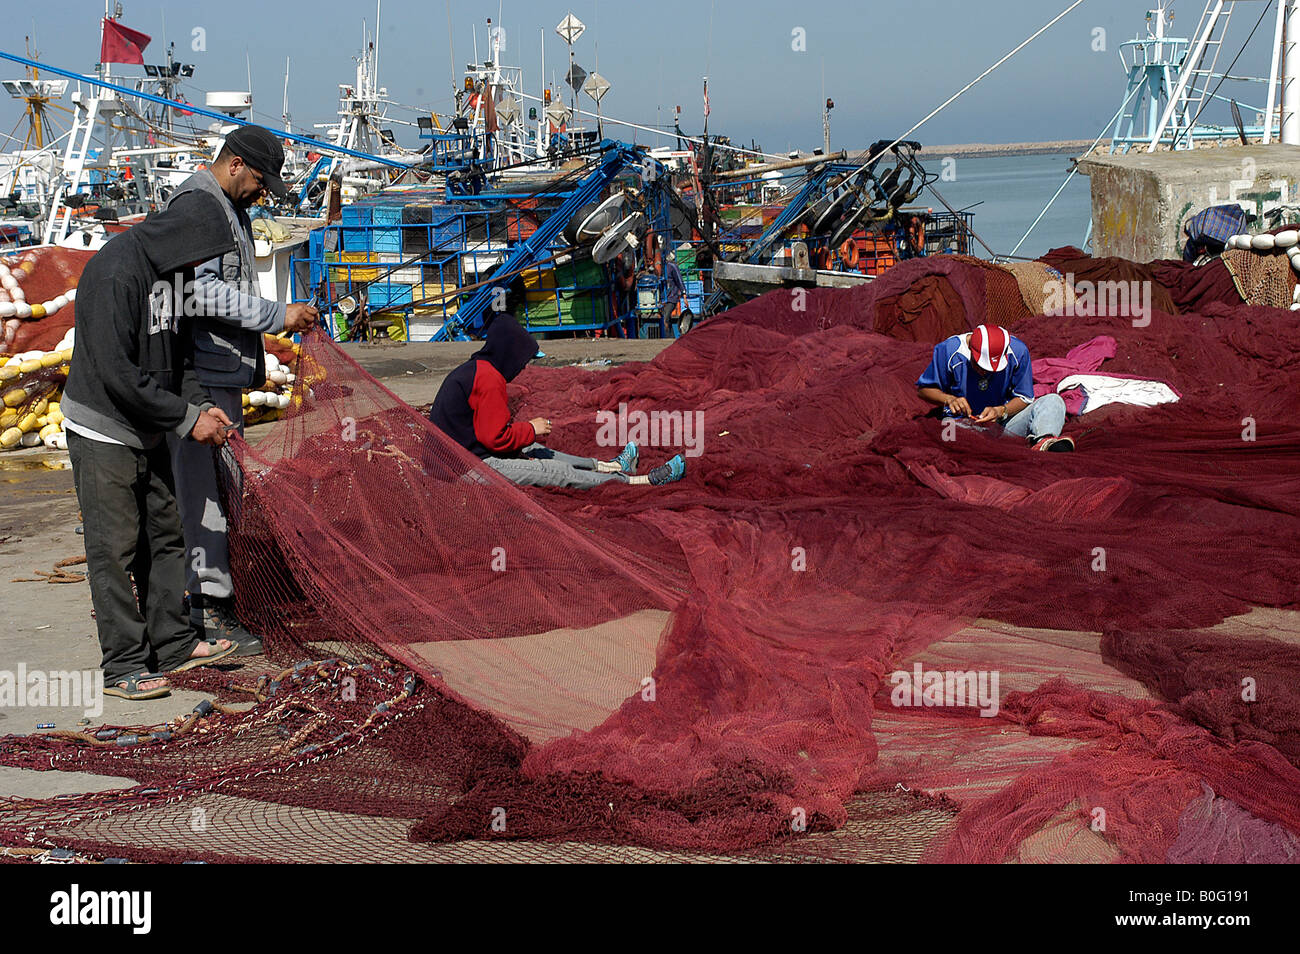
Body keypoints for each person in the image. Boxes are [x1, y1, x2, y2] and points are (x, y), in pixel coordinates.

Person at [60, 190, 243, 701]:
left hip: (150, 423)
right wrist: (186, 419)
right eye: (201, 253)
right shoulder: (117, 272)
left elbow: (179, 356)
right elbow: (117, 374)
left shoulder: (175, 273)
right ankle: (122, 666)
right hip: (104, 425)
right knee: (114, 549)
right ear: (181, 236)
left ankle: (174, 642)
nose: (202, 264)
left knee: (166, 536)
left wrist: (201, 405)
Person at [164, 125, 319, 657]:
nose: (262, 192)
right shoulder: (200, 206)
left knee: (223, 491)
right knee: (203, 497)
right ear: (234, 166)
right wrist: (279, 315)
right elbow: (200, 293)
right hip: (201, 382)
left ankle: (215, 601)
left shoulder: (228, 208)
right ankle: (209, 612)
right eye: (259, 181)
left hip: (223, 377)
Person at [428, 299, 687, 489]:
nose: (522, 368)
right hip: (465, 468)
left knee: (532, 448)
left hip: (461, 456)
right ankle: (640, 481)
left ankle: (610, 467)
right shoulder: (488, 379)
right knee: (554, 472)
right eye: (522, 360)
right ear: (510, 353)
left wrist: (526, 435)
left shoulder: (478, 369)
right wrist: (530, 427)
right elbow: (495, 439)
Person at [916, 323, 1074, 452]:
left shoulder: (1018, 351)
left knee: (1053, 400)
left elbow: (1025, 397)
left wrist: (1001, 411)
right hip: (960, 423)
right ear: (971, 349)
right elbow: (923, 390)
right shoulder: (948, 350)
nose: (985, 372)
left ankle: (1045, 442)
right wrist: (949, 399)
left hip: (1002, 425)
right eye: (980, 366)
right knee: (947, 436)